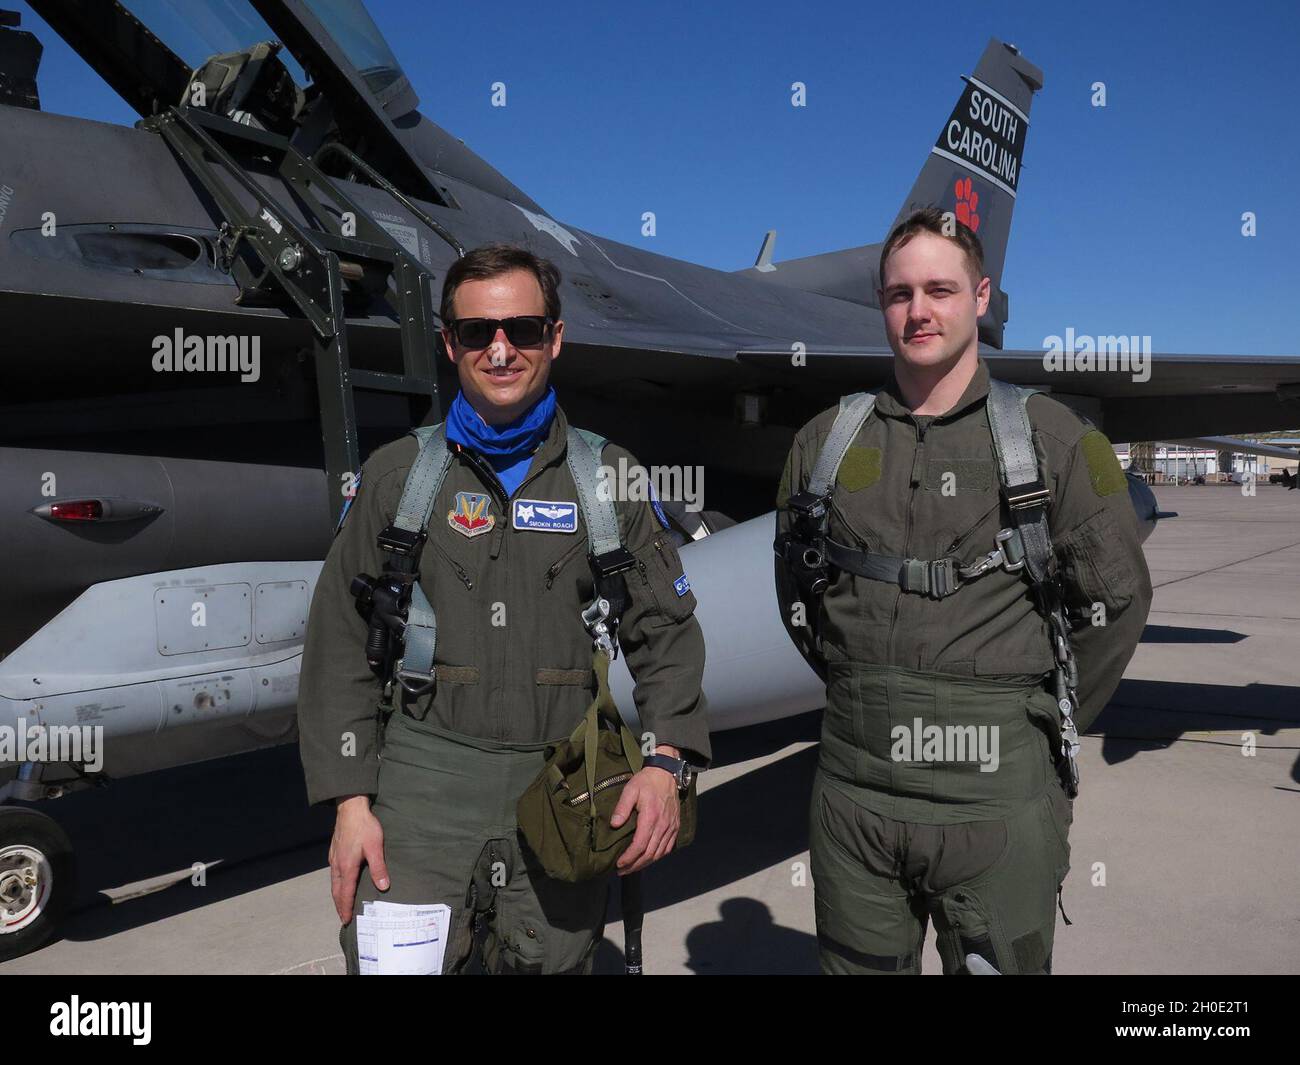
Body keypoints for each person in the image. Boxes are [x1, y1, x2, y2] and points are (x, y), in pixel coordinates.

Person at [298, 243, 709, 974]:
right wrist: (349, 802)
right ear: (449, 342)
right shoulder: (399, 478)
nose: (500, 349)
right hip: (423, 786)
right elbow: (338, 642)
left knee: (552, 960)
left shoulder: (609, 479)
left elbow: (666, 632)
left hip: (562, 778)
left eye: (521, 329)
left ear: (554, 336)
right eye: (477, 332)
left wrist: (668, 760)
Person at [774, 207, 1152, 974]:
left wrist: (1042, 719)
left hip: (996, 799)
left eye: (940, 290)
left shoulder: (1054, 440)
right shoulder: (824, 442)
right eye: (900, 293)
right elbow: (799, 593)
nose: (919, 311)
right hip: (854, 799)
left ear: (981, 298)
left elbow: (1117, 604)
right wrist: (864, 688)